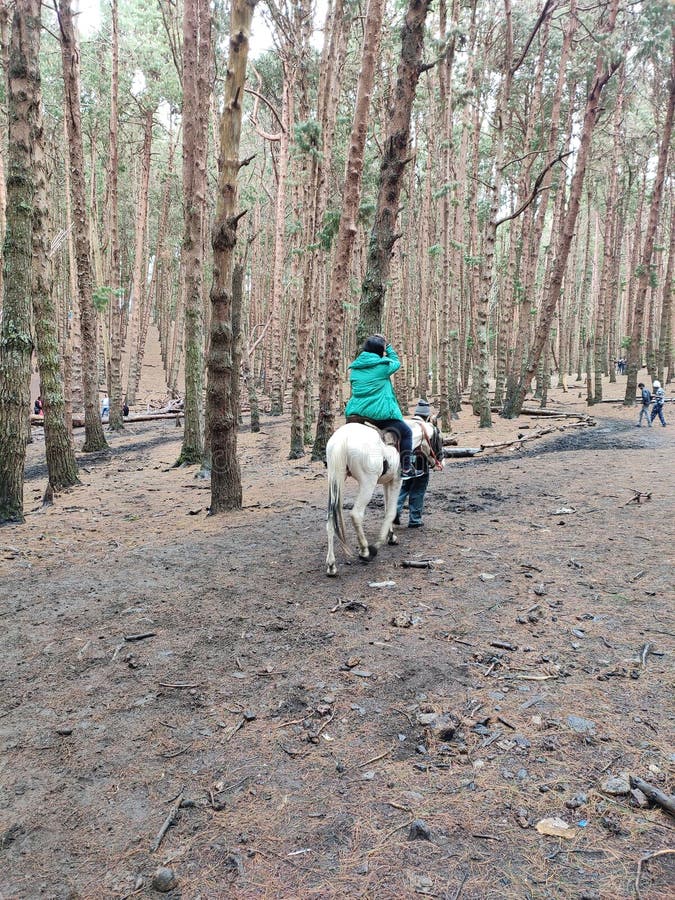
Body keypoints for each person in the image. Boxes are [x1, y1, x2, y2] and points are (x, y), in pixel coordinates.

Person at [345, 334, 419, 478]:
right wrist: (389, 346)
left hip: (355, 413)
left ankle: (346, 464)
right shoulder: (383, 367)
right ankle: (406, 468)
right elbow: (396, 362)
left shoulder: (355, 368)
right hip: (378, 415)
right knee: (406, 433)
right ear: (380, 351)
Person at [394, 398, 433, 528]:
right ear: (427, 416)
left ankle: (395, 511)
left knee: (404, 487)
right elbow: (428, 448)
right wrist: (433, 463)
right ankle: (415, 520)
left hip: (405, 460)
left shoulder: (405, 424)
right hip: (421, 461)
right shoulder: (427, 427)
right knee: (418, 489)